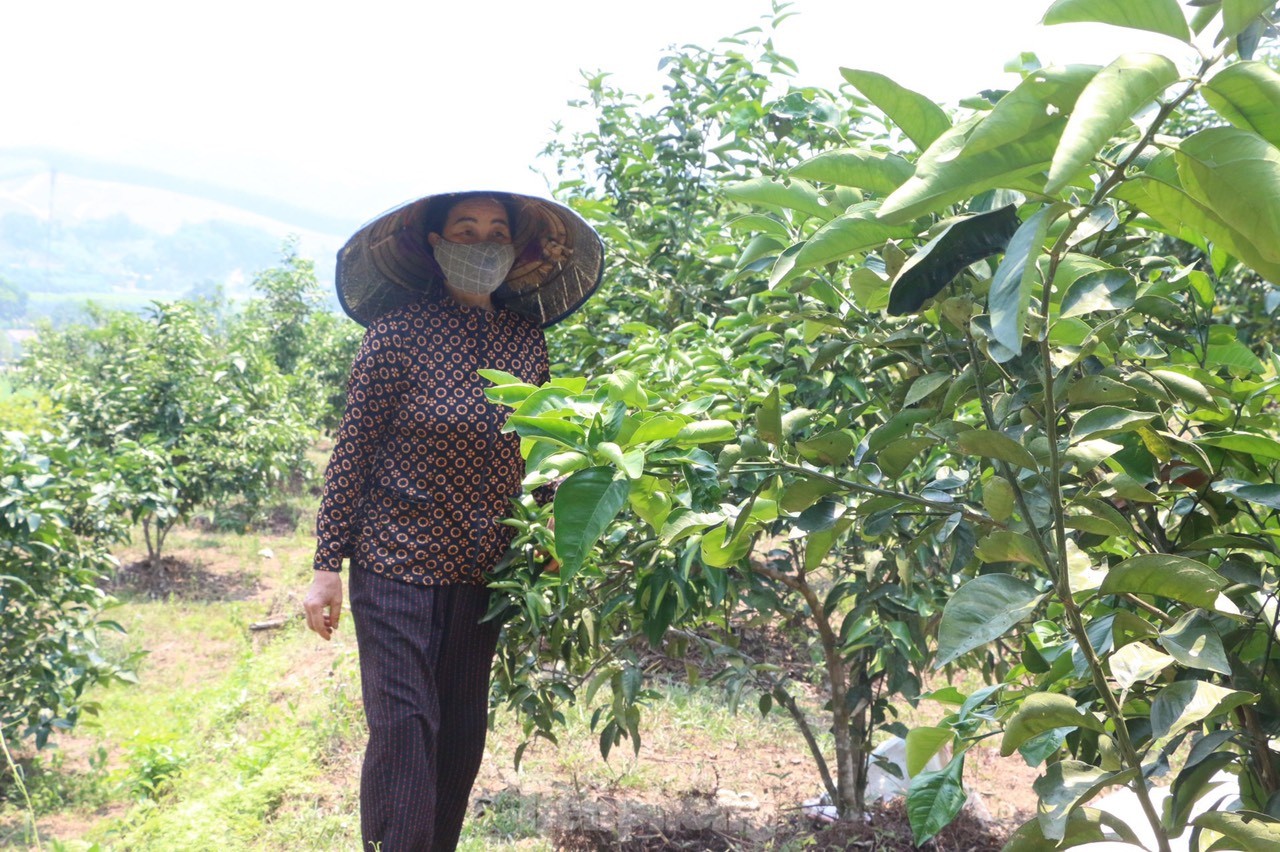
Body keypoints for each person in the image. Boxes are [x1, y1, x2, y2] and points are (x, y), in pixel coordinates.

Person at [303, 190, 602, 851]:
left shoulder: (527, 344)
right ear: (436, 245)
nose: (483, 242)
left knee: (462, 730)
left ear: (513, 248)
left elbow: (539, 448)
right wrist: (326, 569)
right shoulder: (395, 337)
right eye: (465, 229)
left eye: (496, 230)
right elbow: (351, 452)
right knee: (406, 726)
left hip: (483, 568)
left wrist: (555, 531)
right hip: (395, 563)